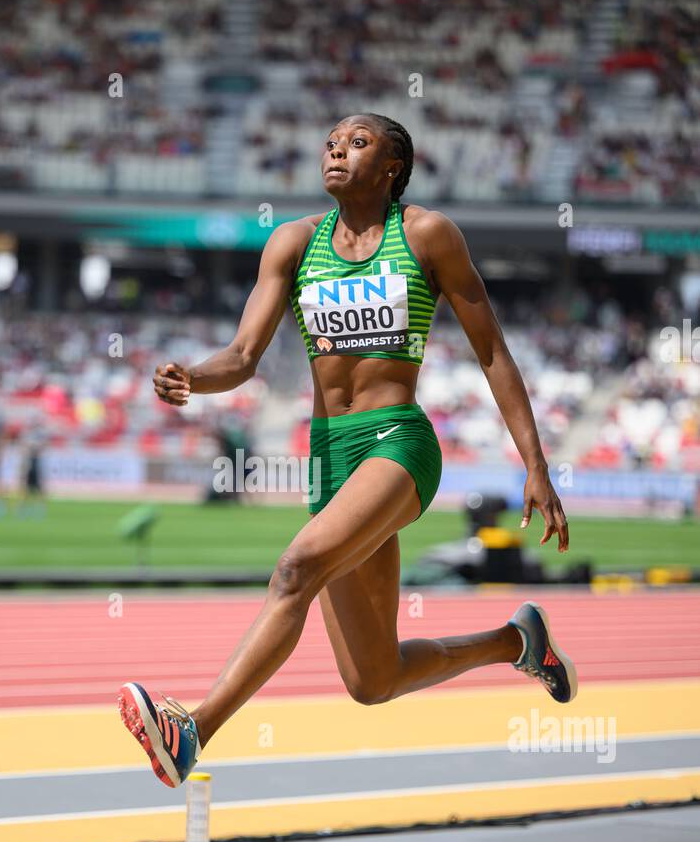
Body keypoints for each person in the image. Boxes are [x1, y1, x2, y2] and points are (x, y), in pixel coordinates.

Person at [118, 113, 577, 788]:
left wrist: (536, 464)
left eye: (357, 142)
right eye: (331, 140)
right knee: (373, 678)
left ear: (393, 167)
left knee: (295, 570)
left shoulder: (426, 234)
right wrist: (194, 377)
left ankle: (194, 730)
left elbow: (492, 352)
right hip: (330, 460)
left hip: (399, 444)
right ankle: (518, 642)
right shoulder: (294, 244)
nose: (336, 148)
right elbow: (244, 355)